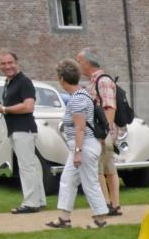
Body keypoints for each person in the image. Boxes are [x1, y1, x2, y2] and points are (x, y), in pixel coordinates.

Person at [45, 59, 110, 230]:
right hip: (83, 145)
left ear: (61, 79)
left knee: (89, 182)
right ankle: (64, 218)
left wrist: (78, 152)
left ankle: (100, 219)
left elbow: (80, 128)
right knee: (67, 180)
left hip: (84, 146)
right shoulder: (82, 94)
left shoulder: (77, 100)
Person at [0, 51, 45, 213]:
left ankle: (31, 203)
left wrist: (3, 108)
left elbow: (28, 106)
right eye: (3, 63)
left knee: (26, 166)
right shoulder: (10, 82)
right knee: (31, 165)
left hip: (23, 129)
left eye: (10, 62)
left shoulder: (24, 82)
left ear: (17, 62)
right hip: (18, 129)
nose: (7, 66)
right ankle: (38, 200)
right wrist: (1, 107)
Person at [77, 50, 122, 216]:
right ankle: (112, 205)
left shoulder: (102, 81)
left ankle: (108, 204)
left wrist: (105, 133)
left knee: (99, 169)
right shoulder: (95, 81)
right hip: (102, 132)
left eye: (80, 61)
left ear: (87, 63)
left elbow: (109, 107)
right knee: (108, 168)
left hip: (102, 133)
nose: (79, 65)